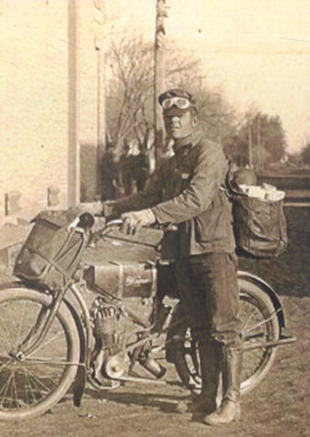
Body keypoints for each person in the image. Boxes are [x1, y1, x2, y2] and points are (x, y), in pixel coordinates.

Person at [79, 88, 242, 426]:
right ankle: (207, 395)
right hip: (184, 253)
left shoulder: (209, 154)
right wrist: (104, 209)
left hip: (213, 250)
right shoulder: (172, 163)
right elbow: (147, 197)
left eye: (180, 117)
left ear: (194, 119)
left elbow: (196, 199)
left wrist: (149, 216)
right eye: (169, 119)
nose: (174, 122)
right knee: (200, 328)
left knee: (223, 328)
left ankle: (232, 401)